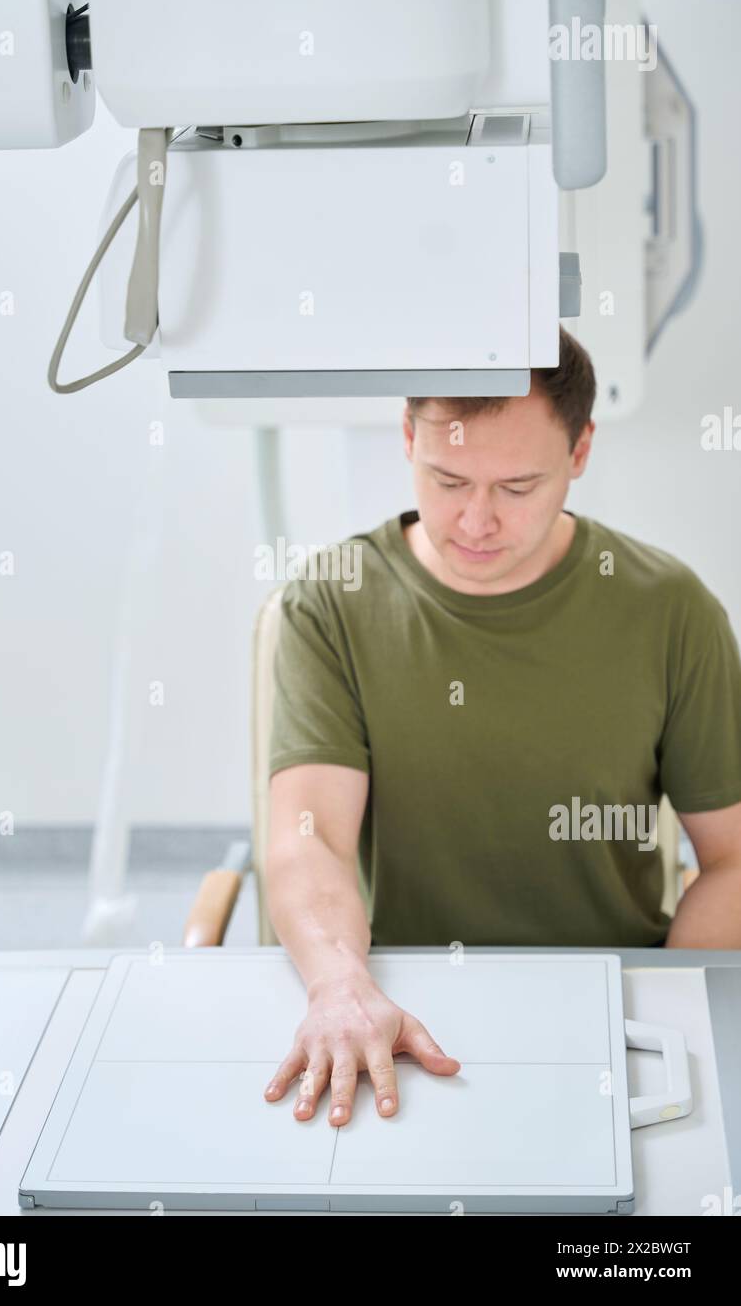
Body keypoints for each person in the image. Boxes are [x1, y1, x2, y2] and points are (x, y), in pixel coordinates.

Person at [262, 327, 741, 1128]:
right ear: (408, 437)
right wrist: (341, 984)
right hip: (398, 1008)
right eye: (448, 479)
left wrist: (664, 1018)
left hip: (612, 1003)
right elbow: (309, 839)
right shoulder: (332, 603)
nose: (476, 521)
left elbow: (731, 860)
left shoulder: (670, 611)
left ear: (581, 451)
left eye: (517, 487)